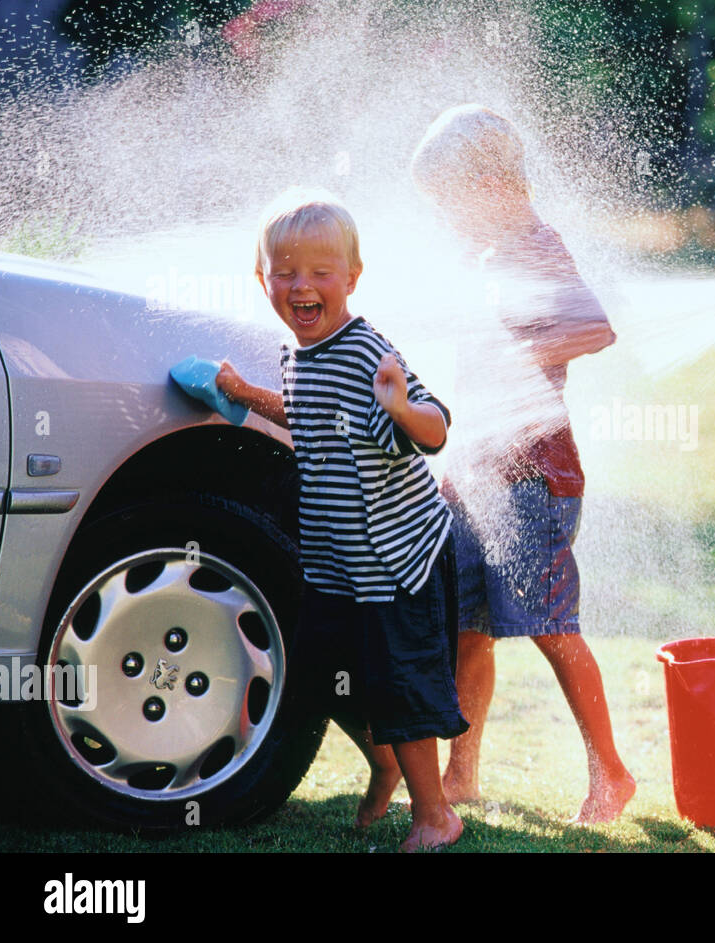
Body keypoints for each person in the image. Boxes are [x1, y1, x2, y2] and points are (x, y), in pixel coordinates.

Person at [217, 190, 469, 851]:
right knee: (325, 675)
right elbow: (304, 415)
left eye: (320, 272)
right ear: (262, 279)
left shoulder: (365, 353)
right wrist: (245, 396)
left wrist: (400, 406)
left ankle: (436, 813)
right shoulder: (297, 353)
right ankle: (384, 762)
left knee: (400, 689)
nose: (302, 285)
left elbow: (436, 425)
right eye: (286, 271)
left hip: (394, 561)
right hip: (337, 563)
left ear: (352, 278)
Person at [409, 105, 635, 823]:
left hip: (535, 480)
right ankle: (462, 774)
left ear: (489, 182)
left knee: (549, 626)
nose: (447, 218)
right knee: (469, 628)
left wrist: (513, 357)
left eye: (449, 201)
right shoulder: (487, 256)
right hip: (478, 479)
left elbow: (595, 328)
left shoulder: (537, 245)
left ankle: (612, 774)